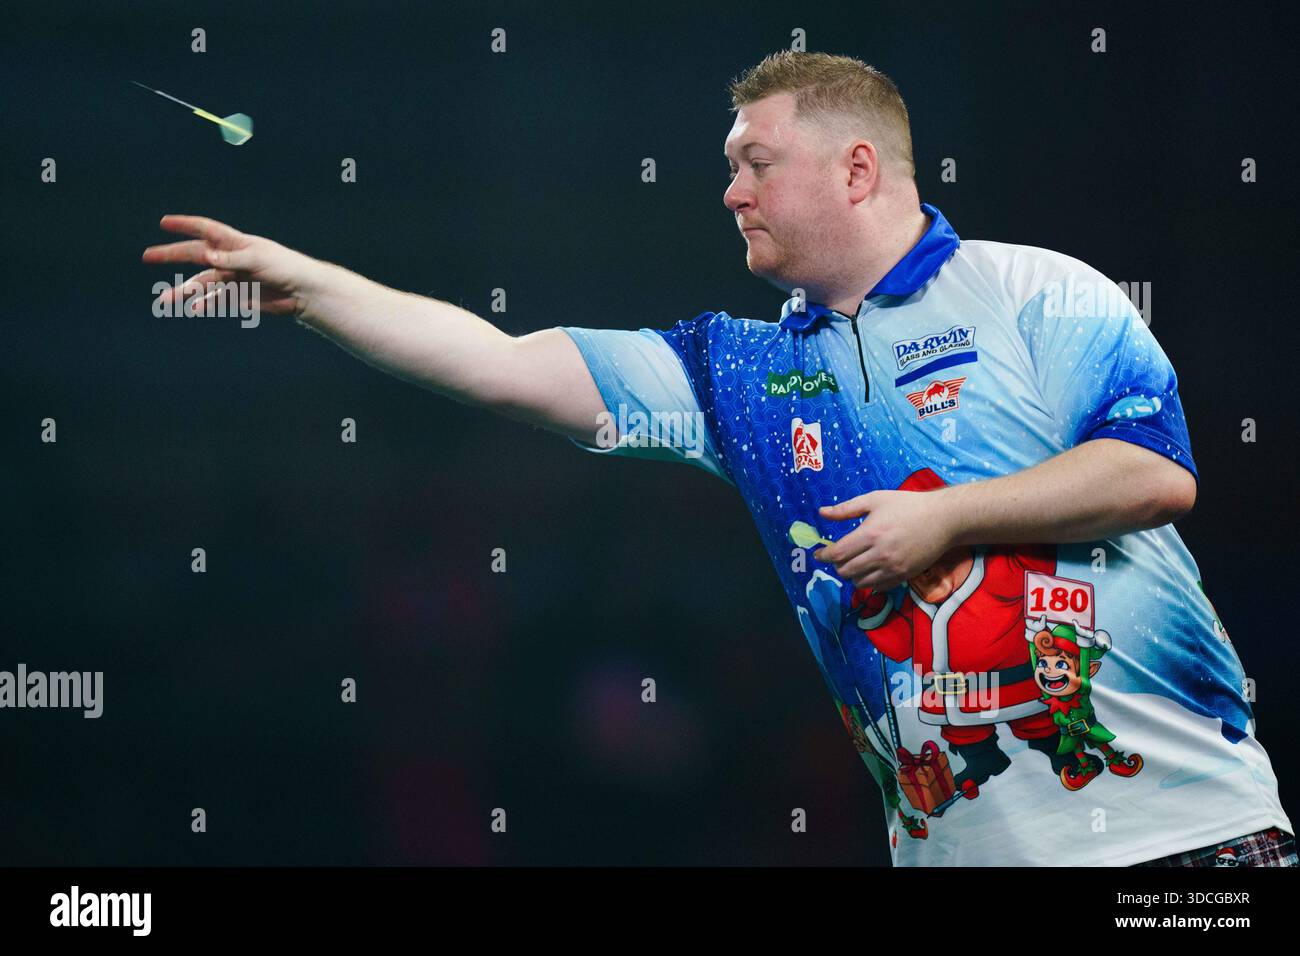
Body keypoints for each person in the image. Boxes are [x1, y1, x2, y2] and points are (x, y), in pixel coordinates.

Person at [142, 50, 1294, 867]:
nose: (727, 188)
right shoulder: (731, 372)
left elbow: (1153, 473)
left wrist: (945, 517)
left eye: (754, 160)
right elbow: (495, 359)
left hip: (1187, 842)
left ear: (855, 169)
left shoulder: (1034, 287)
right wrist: (312, 291)